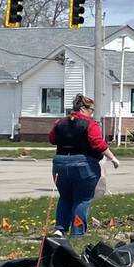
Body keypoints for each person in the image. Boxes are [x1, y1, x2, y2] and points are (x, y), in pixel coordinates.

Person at [48, 94, 118, 237]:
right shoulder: (91, 125)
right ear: (83, 109)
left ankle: (60, 229)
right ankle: (77, 232)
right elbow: (97, 143)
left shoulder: (59, 123)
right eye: (91, 110)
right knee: (82, 199)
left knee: (65, 197)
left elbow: (52, 139)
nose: (92, 113)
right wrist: (113, 158)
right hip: (83, 165)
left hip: (59, 164)